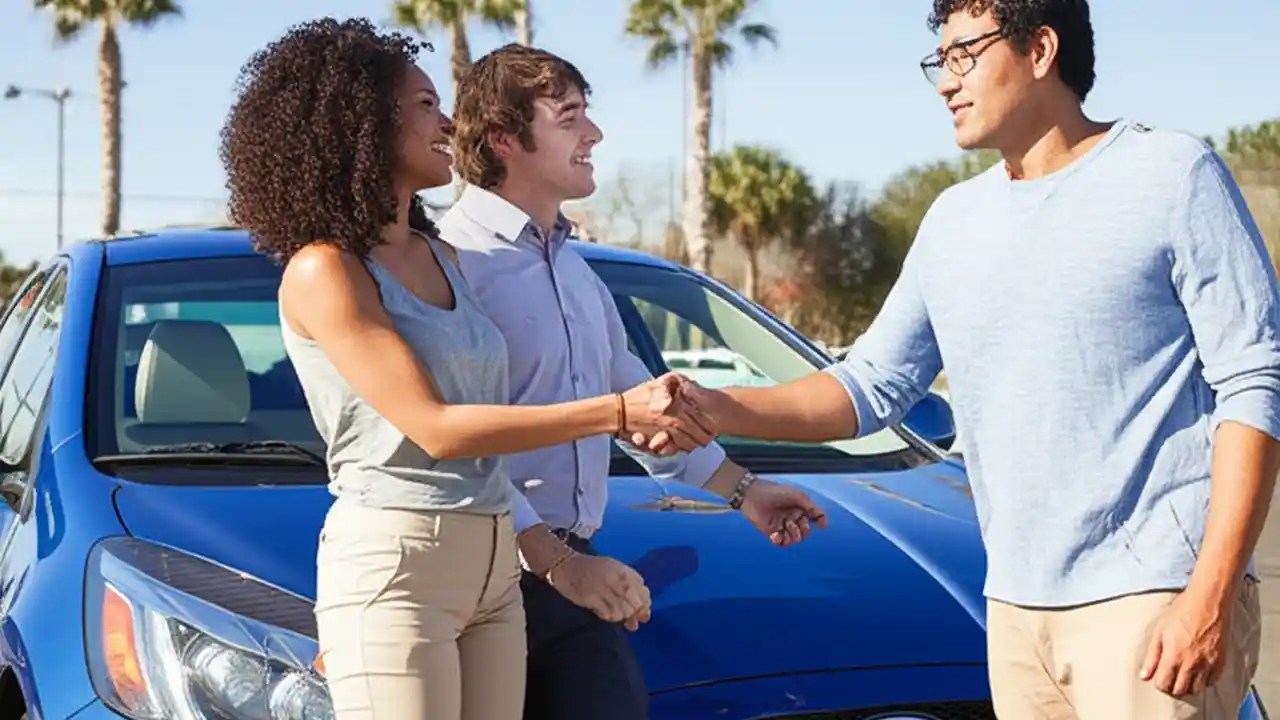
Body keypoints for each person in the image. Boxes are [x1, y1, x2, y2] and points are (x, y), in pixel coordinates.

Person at [638, 1, 1280, 718]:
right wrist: (715, 407)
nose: (945, 82)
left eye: (964, 55)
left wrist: (1210, 593)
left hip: (1150, 600)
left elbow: (1254, 382)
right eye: (938, 61)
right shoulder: (953, 219)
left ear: (1040, 49)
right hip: (1011, 611)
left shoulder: (1170, 174)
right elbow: (871, 387)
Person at [218, 19, 712, 720]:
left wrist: (557, 558)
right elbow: (439, 430)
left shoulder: (445, 257)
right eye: (425, 105)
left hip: (494, 568)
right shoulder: (325, 270)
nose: (448, 121)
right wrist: (617, 412)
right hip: (399, 564)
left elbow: (494, 449)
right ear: (361, 125)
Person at [437, 43, 829, 720]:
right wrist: (558, 564)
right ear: (504, 139)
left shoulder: (580, 274)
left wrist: (746, 490)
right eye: (569, 117)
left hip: (568, 573)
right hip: (475, 577)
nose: (594, 134)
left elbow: (641, 409)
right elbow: (454, 444)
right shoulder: (450, 264)